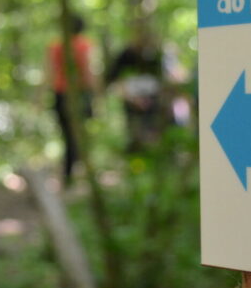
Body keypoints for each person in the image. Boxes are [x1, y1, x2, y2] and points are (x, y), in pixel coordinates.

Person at [46, 15, 95, 185]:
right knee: (78, 135)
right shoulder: (84, 45)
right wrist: (95, 94)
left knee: (68, 136)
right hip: (80, 94)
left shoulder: (56, 45)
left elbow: (49, 73)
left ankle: (70, 173)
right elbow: (89, 72)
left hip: (61, 93)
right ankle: (74, 172)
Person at [106, 23, 164, 152]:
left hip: (152, 106)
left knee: (152, 136)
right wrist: (132, 98)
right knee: (134, 136)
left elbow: (161, 81)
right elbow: (113, 80)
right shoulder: (125, 55)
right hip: (131, 104)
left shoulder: (155, 55)